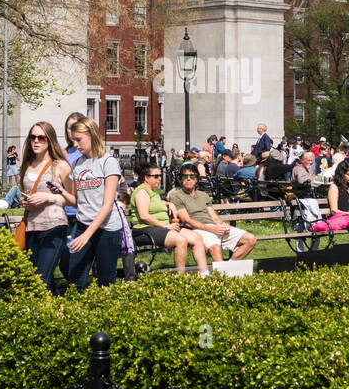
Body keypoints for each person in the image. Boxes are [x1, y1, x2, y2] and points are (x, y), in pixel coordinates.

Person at [65, 116, 124, 289]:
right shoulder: (77, 164)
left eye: (78, 139)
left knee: (105, 283)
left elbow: (107, 205)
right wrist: (60, 192)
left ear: (91, 135)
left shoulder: (108, 162)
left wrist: (86, 235)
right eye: (73, 140)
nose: (75, 144)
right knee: (75, 281)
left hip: (106, 230)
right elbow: (77, 201)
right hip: (83, 226)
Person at [19, 121, 76, 294]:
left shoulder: (61, 166)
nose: (36, 141)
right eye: (32, 137)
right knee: (39, 279)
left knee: (41, 280)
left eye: (41, 138)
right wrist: (26, 202)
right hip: (31, 228)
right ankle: (58, 313)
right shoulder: (27, 165)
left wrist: (49, 197)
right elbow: (27, 193)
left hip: (54, 227)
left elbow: (74, 200)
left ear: (49, 140)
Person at [129, 161, 208, 276]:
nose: (159, 179)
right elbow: (144, 216)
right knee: (180, 240)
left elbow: (154, 202)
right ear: (146, 178)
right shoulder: (141, 192)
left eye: (160, 176)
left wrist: (168, 203)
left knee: (196, 237)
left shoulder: (151, 192)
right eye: (156, 176)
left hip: (160, 228)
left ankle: (204, 273)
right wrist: (165, 226)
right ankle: (180, 278)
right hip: (145, 230)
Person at [167, 163, 257, 261]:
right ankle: (222, 274)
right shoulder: (177, 197)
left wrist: (223, 225)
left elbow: (213, 216)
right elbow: (187, 221)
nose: (189, 179)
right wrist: (211, 229)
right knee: (215, 248)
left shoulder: (204, 195)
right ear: (181, 179)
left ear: (196, 179)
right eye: (185, 176)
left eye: (192, 176)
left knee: (250, 239)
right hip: (197, 229)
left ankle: (228, 268)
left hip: (214, 227)